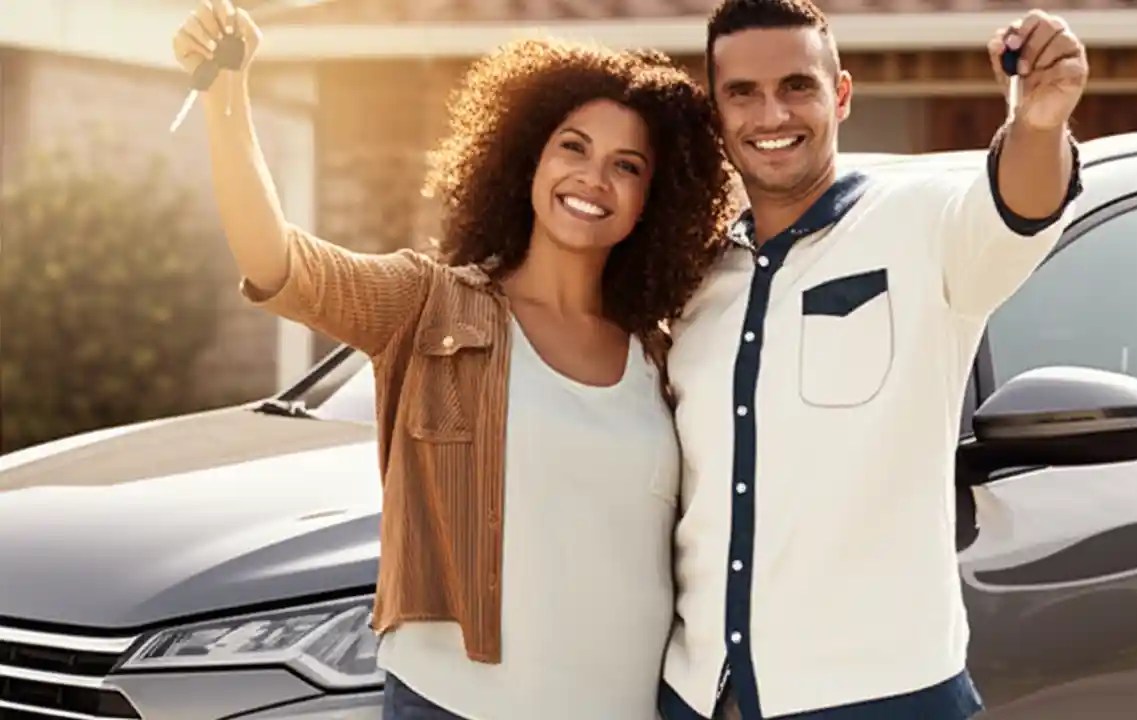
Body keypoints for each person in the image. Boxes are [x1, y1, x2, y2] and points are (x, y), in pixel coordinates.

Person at [171, 2, 736, 719]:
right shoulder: (429, 305)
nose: (594, 178)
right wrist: (228, 95)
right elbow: (276, 258)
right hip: (455, 705)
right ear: (528, 155)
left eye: (626, 166)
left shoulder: (663, 355)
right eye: (573, 147)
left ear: (652, 200)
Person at [659, 2, 1087, 719]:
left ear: (842, 94)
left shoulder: (924, 223)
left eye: (797, 86)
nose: (771, 113)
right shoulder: (693, 282)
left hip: (885, 699)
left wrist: (1038, 125)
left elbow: (1019, 209)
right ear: (717, 112)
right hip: (700, 697)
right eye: (743, 93)